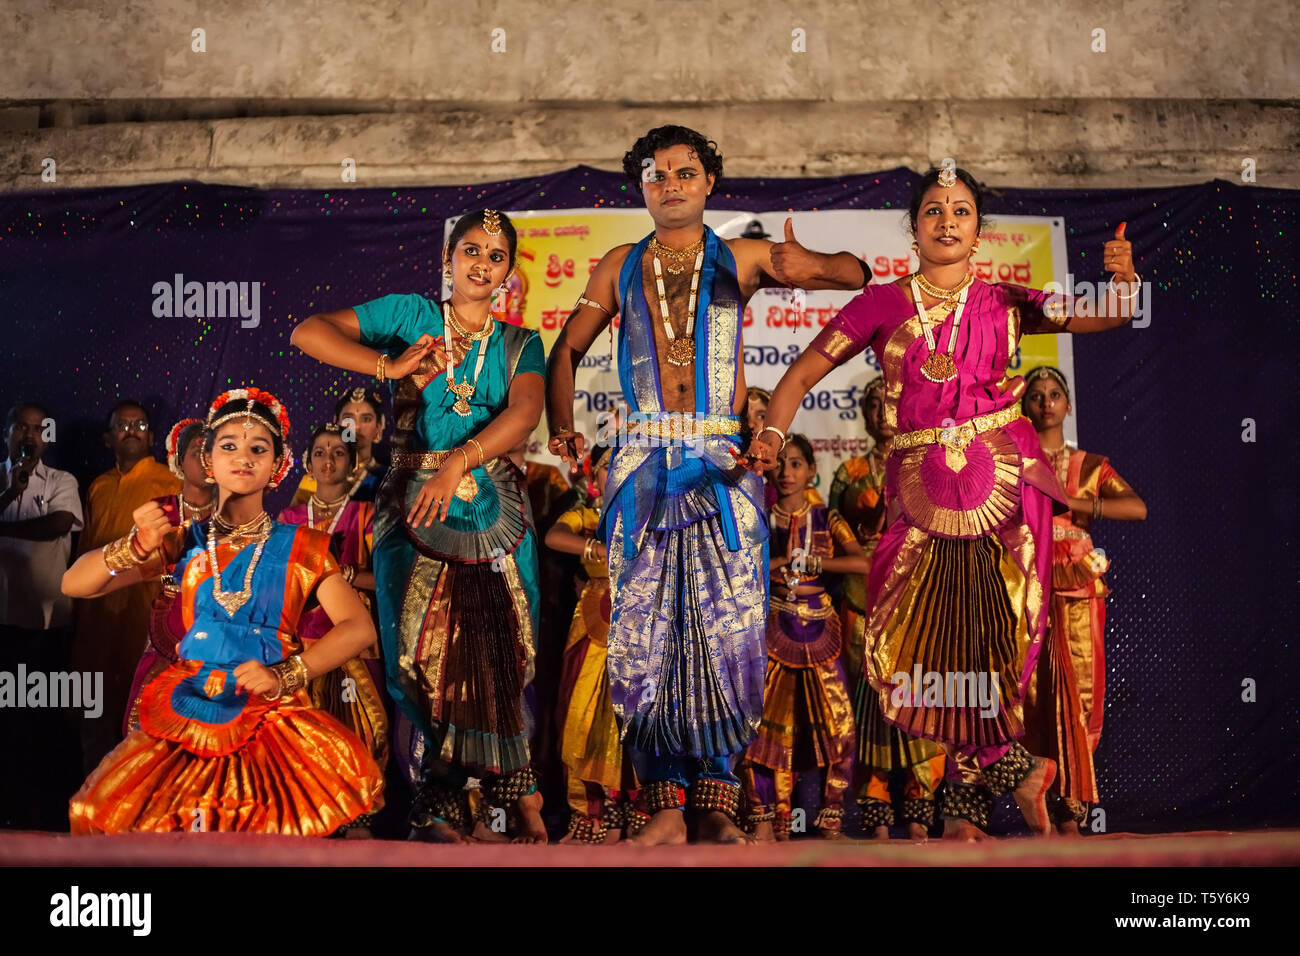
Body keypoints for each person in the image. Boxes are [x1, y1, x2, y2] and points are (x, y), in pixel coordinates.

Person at [749, 164, 1141, 838]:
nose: (948, 221)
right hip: (919, 486)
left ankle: (997, 775)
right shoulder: (880, 304)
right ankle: (1013, 767)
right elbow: (805, 369)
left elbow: (1104, 315)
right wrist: (769, 435)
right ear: (915, 227)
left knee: (993, 640)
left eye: (961, 211)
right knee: (910, 643)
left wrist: (1125, 280)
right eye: (934, 211)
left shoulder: (1009, 301)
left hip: (1003, 484)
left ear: (978, 230)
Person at [546, 125, 870, 845]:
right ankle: (665, 803)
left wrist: (805, 260)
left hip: (725, 463)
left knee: (728, 635)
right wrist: (563, 424)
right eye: (656, 175)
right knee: (646, 633)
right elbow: (565, 349)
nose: (670, 184)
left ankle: (718, 802)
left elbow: (854, 276)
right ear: (641, 188)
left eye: (684, 172)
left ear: (709, 184)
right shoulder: (618, 266)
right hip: (642, 464)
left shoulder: (745, 257)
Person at [290, 209, 548, 844]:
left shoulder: (521, 343)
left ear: (508, 272)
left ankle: (477, 803)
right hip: (412, 504)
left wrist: (458, 461)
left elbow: (526, 412)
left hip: (495, 515)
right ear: (448, 259)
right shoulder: (412, 317)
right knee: (416, 655)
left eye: (495, 256)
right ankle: (442, 801)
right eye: (470, 250)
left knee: (495, 656)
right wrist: (389, 369)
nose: (481, 264)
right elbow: (307, 332)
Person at [64, 388, 383, 834]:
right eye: (228, 445)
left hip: (270, 716)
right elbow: (75, 583)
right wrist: (134, 547)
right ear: (208, 461)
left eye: (259, 448)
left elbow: (358, 627)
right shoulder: (182, 542)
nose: (244, 457)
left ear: (279, 466)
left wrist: (287, 674)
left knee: (258, 836)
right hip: (188, 711)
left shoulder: (303, 548)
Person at [1021, 365, 1146, 834]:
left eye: (1055, 394)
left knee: (1081, 697)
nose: (1046, 402)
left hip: (1077, 589)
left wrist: (1075, 507)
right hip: (1028, 586)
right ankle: (1040, 806)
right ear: (1025, 406)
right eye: (1036, 395)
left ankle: (1072, 811)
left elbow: (1136, 507)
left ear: (1068, 405)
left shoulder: (1090, 466)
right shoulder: (1015, 463)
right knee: (1034, 698)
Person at [828, 377, 946, 839]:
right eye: (872, 403)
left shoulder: (928, 462)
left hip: (918, 591)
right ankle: (875, 809)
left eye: (889, 403)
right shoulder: (850, 471)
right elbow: (834, 524)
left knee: (920, 696)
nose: (881, 411)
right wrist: (860, 548)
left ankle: (919, 808)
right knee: (870, 703)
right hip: (862, 595)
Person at [746, 435, 866, 841]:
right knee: (766, 730)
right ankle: (773, 822)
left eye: (796, 464)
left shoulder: (827, 517)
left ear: (813, 470)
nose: (786, 473)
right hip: (773, 629)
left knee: (841, 725)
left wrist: (819, 562)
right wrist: (776, 561)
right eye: (779, 464)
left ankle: (831, 820)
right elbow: (742, 567)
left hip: (820, 629)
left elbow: (861, 563)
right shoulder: (760, 515)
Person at [278, 422, 388, 835]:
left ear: (352, 463)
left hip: (354, 639)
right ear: (307, 462)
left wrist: (342, 574)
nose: (328, 460)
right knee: (307, 727)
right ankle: (311, 813)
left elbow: (387, 580)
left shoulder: (367, 515)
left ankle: (358, 813)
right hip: (300, 640)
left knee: (361, 728)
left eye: (338, 453)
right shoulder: (287, 518)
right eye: (320, 452)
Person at [71, 400, 180, 770]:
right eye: (123, 425)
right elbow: (86, 548)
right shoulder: (98, 487)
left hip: (143, 615)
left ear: (151, 436)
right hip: (97, 618)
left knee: (140, 713)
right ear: (107, 438)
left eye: (140, 425)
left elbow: (177, 555)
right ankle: (92, 803)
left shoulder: (170, 483)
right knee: (94, 712)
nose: (132, 431)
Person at [546, 443, 644, 843]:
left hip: (640, 623)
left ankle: (637, 811)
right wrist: (596, 549)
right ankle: (587, 814)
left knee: (635, 717)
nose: (615, 474)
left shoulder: (649, 513)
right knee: (579, 714)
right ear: (593, 477)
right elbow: (554, 537)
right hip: (590, 625)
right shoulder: (586, 515)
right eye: (606, 467)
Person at [0, 401, 84, 828]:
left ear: (46, 438)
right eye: (21, 427)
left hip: (44, 622)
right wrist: (10, 494)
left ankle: (40, 814)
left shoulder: (62, 480)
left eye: (38, 428)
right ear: (8, 433)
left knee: (39, 718)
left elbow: (58, 524)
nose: (29, 435)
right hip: (1, 619)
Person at [122, 417, 215, 736]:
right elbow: (134, 566)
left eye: (212, 451)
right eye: (196, 451)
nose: (205, 460)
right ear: (177, 461)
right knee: (150, 726)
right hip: (164, 628)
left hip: (216, 633)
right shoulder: (160, 512)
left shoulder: (233, 514)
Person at [290, 387, 388, 505]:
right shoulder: (316, 477)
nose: (356, 427)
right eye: (348, 419)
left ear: (378, 427)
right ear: (336, 423)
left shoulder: (387, 479)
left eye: (366, 419)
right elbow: (294, 520)